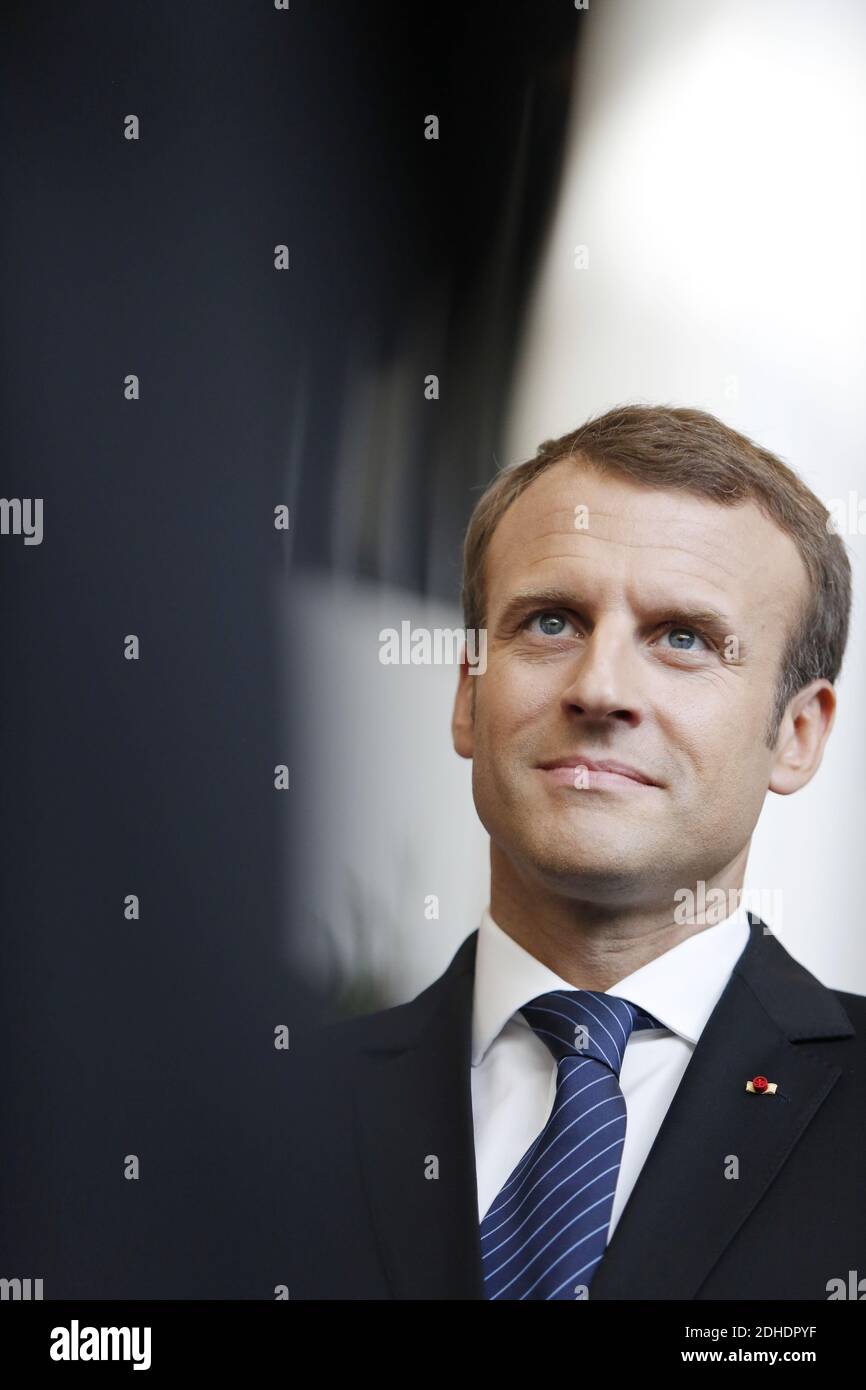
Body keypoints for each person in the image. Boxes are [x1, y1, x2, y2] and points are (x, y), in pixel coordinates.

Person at [286, 404, 865, 1300]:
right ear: (469, 695)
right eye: (552, 623)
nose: (600, 689)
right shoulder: (252, 1125)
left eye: (684, 639)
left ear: (796, 733)